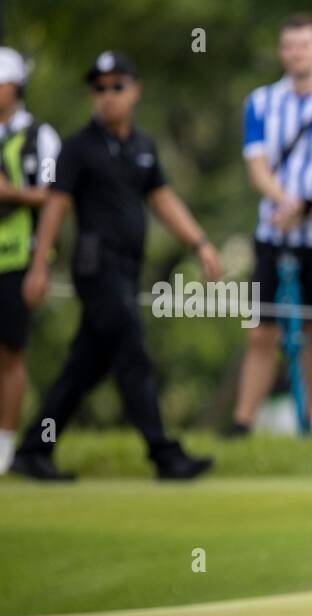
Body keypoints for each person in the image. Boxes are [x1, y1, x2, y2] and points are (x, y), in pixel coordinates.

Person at [10, 51, 221, 482]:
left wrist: (198, 242)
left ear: (135, 91)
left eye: (116, 87)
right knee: (133, 356)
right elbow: (55, 206)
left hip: (128, 269)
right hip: (96, 268)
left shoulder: (142, 146)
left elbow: (162, 198)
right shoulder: (78, 147)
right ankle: (163, 453)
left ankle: (33, 449)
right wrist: (38, 266)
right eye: (100, 88)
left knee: (83, 367)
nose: (107, 96)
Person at [226, 13, 312, 436]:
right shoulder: (261, 102)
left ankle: (306, 421)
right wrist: (283, 202)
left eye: (304, 45)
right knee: (261, 328)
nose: (296, 53)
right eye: (288, 46)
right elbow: (257, 164)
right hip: (272, 229)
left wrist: (307, 207)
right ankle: (243, 421)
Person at [0, 48, 60, 475]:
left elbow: (54, 194)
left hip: (17, 258)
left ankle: (3, 443)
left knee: (10, 351)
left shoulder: (41, 137)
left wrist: (11, 195)